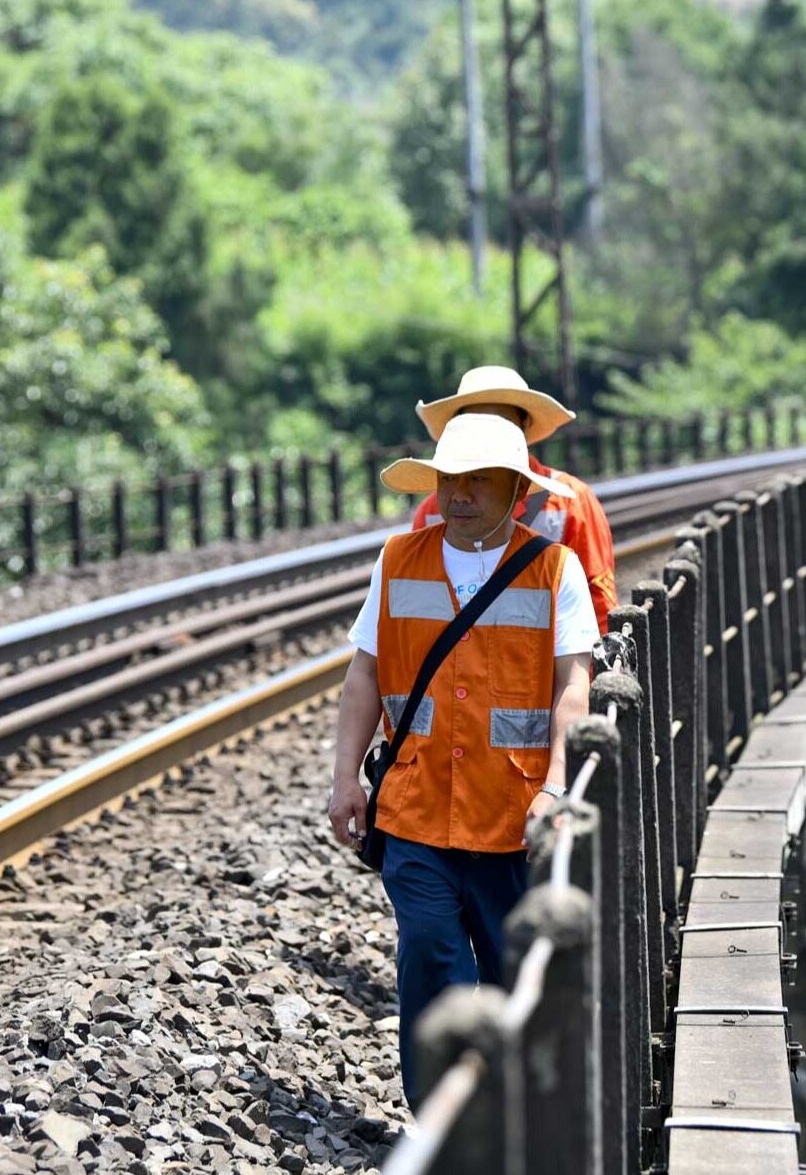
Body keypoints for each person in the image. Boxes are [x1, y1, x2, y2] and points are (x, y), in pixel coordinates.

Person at [327, 412, 598, 1105]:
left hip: (512, 816)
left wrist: (556, 785)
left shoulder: (553, 569)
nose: (460, 494)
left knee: (513, 975)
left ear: (516, 492)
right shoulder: (398, 559)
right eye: (450, 480)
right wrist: (344, 780)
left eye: (480, 481)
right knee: (430, 954)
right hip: (415, 810)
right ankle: (437, 1117)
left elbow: (573, 686)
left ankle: (513, 1115)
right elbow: (364, 674)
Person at [409, 365, 617, 634]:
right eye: (476, 424)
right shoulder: (432, 511)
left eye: (500, 425)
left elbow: (599, 612)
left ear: (523, 429)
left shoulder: (571, 504)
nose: (489, 436)